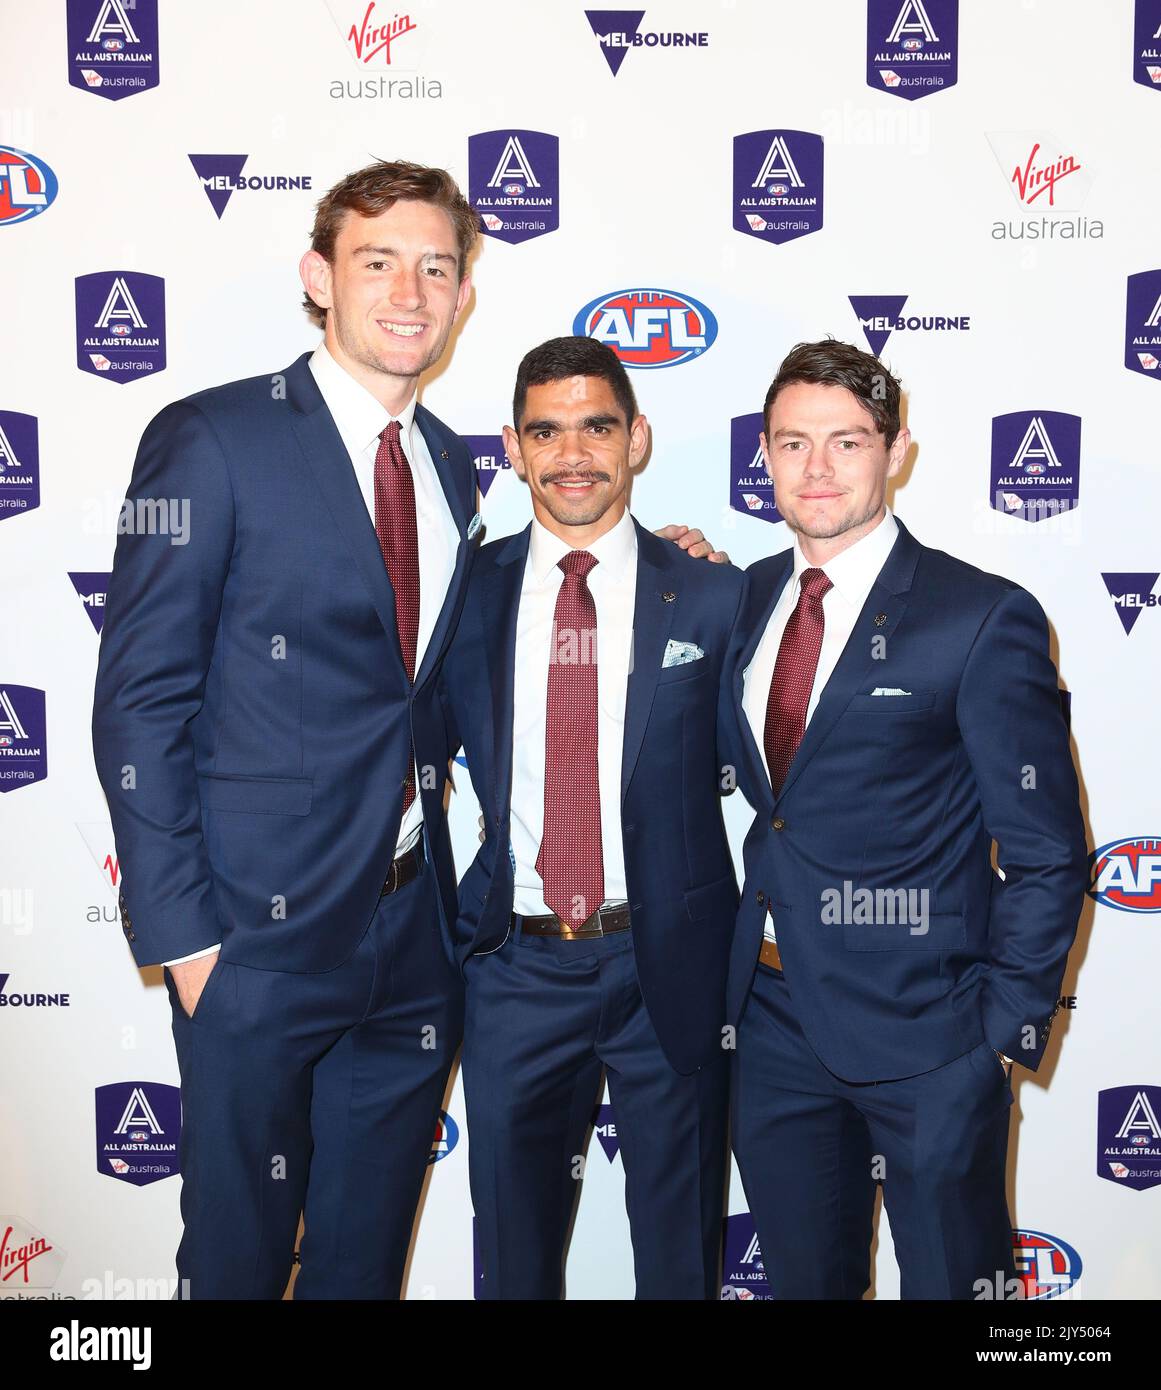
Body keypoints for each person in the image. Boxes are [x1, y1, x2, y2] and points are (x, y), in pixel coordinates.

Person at [93, 159, 720, 1300]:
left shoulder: (447, 466)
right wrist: (188, 945)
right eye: (378, 261)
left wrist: (668, 568)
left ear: (464, 294)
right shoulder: (213, 439)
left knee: (361, 1259)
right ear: (318, 278)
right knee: (236, 1259)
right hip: (255, 943)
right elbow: (137, 699)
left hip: (411, 942)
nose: (411, 290)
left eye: (438, 265)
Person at [722, 338, 1088, 1300]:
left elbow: (1049, 852)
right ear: (761, 454)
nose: (816, 469)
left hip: (931, 1033)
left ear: (897, 450)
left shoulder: (979, 616)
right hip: (767, 1023)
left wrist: (996, 1035)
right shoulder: (741, 598)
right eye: (792, 443)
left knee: (957, 1290)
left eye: (846, 442)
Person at [439, 336, 743, 1299]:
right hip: (513, 966)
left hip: (671, 967)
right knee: (515, 1258)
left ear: (637, 438)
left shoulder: (716, 593)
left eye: (597, 427)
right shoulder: (463, 593)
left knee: (681, 1254)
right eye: (547, 431)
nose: (573, 454)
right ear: (513, 447)